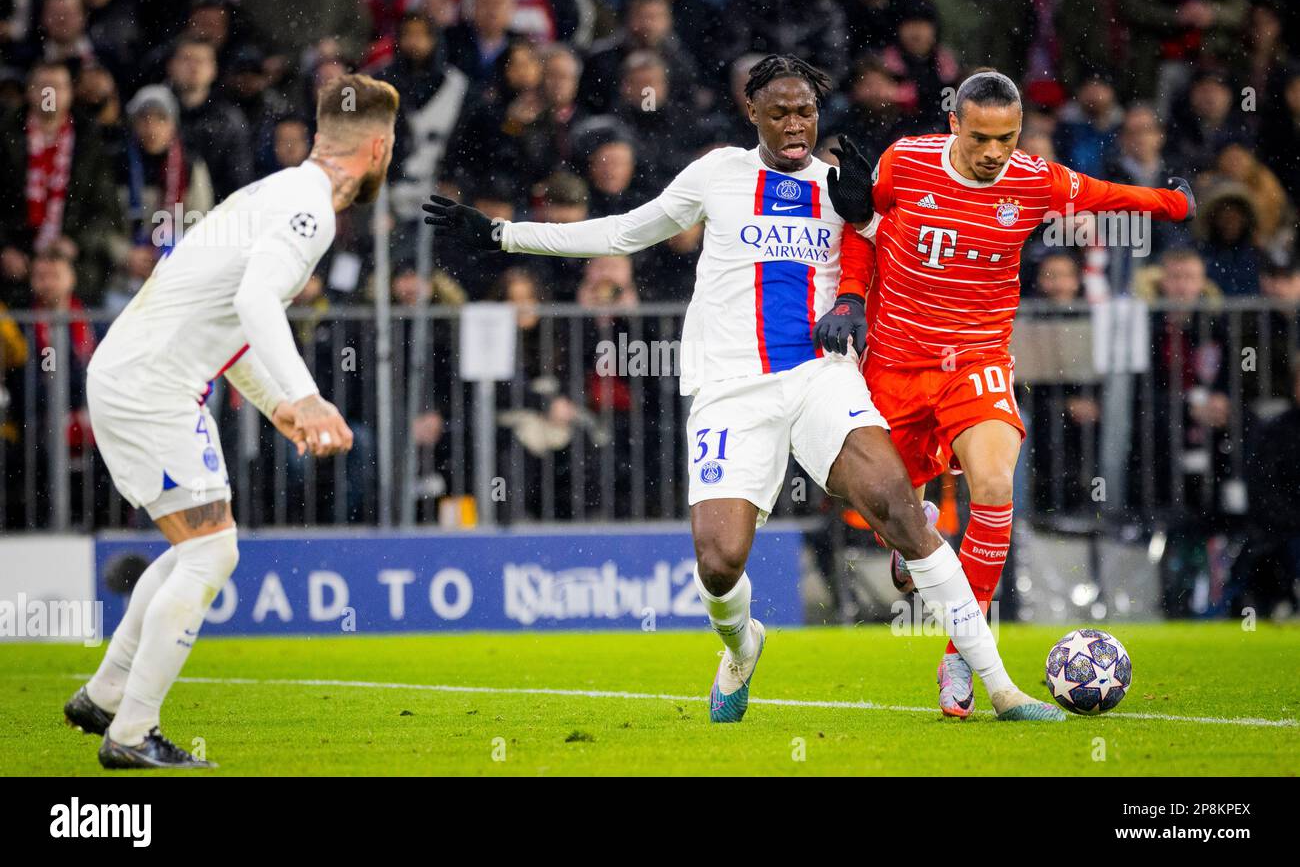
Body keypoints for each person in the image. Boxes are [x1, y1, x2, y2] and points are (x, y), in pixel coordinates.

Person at [424, 54, 1064, 725]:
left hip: (821, 380)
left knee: (902, 512)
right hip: (731, 389)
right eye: (781, 111)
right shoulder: (717, 174)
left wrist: (871, 222)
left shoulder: (843, 186)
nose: (795, 124)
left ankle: (1000, 688)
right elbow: (625, 230)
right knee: (721, 561)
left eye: (806, 112)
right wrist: (503, 234)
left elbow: (911, 259)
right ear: (751, 113)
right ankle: (741, 647)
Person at [817, 70, 1193, 717]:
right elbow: (858, 224)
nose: (995, 152)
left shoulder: (1031, 178)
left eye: (1008, 137)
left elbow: (1105, 195)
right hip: (896, 367)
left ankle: (961, 656)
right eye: (983, 137)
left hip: (978, 359)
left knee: (992, 485)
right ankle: (913, 539)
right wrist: (850, 297)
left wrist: (1174, 204)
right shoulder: (906, 161)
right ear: (956, 124)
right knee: (891, 509)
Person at [63, 73, 399, 769]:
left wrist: (274, 402)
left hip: (135, 374)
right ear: (379, 146)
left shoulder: (275, 191)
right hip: (152, 385)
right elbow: (255, 302)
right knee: (214, 554)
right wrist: (306, 396)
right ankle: (130, 736)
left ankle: (103, 695)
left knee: (199, 547)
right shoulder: (312, 212)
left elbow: (228, 321)